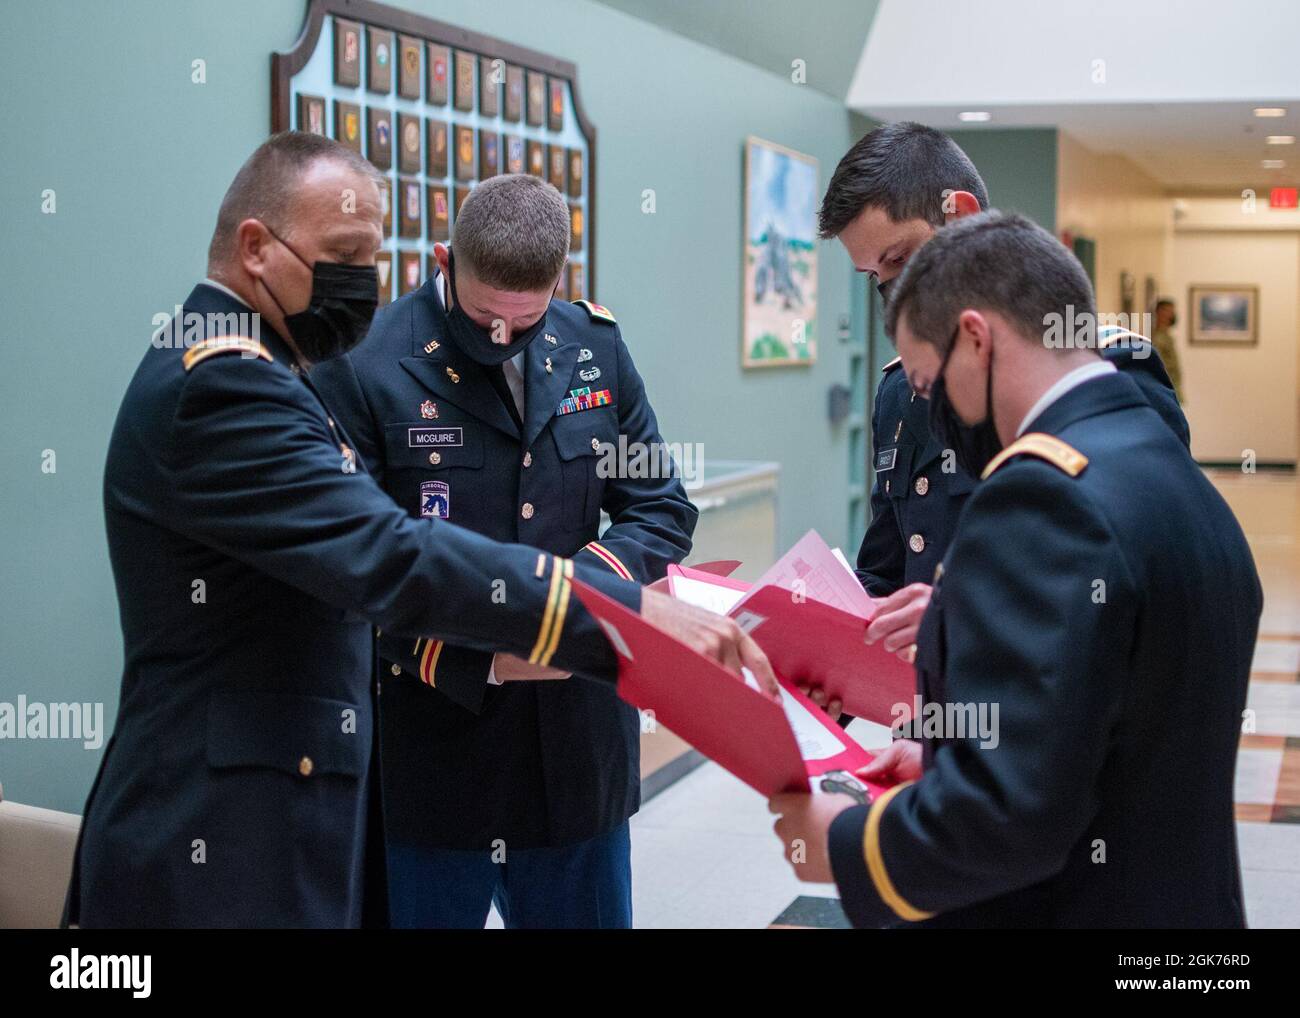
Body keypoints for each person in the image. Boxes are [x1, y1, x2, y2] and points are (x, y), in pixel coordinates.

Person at [66, 131, 775, 929]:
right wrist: (619, 614)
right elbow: (389, 555)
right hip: (270, 815)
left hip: (548, 762)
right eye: (341, 253)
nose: (358, 282)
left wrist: (601, 589)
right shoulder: (233, 383)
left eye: (368, 257)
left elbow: (655, 501)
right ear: (257, 248)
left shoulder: (587, 345)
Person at [770, 212, 1261, 928]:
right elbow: (1094, 730)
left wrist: (842, 843)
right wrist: (946, 757)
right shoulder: (1164, 465)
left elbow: (1009, 820)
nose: (934, 412)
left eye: (928, 382)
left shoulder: (1040, 496)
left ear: (975, 338)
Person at [311, 174, 695, 928]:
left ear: (559, 281)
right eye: (487, 315)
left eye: (526, 320)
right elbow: (349, 568)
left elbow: (660, 506)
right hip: (436, 752)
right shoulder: (364, 365)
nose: (503, 337)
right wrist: (484, 655)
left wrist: (572, 598)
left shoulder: (595, 346)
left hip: (575, 751)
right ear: (444, 260)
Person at [810, 124, 1189, 736]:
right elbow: (889, 569)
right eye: (875, 277)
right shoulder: (899, 393)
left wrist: (963, 614)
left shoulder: (1101, 368)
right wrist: (826, 665)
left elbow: (1141, 585)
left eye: (902, 260)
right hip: (936, 731)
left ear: (958, 214)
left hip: (1060, 737)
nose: (892, 296)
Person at [1151, 298, 1184, 402]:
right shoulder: (1157, 337)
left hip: (1171, 385)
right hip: (1164, 387)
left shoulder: (1166, 335)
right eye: (1167, 311)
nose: (1170, 315)